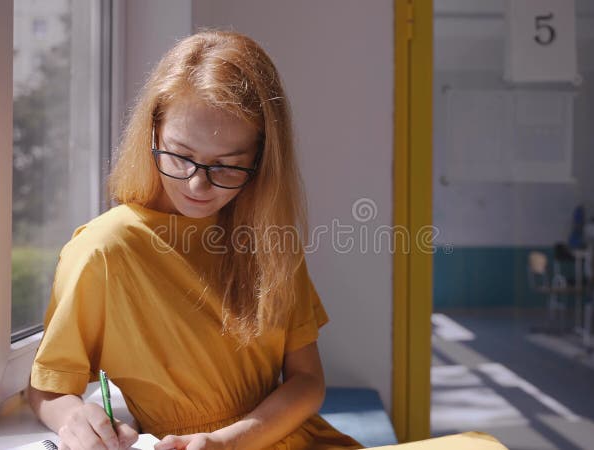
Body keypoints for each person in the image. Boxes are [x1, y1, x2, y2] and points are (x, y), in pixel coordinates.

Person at [26, 30, 363, 450]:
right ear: (152, 134)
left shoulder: (268, 239)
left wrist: (227, 442)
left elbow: (308, 380)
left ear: (260, 161)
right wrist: (77, 419)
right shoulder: (104, 250)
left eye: (227, 166)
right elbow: (46, 388)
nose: (198, 184)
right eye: (180, 154)